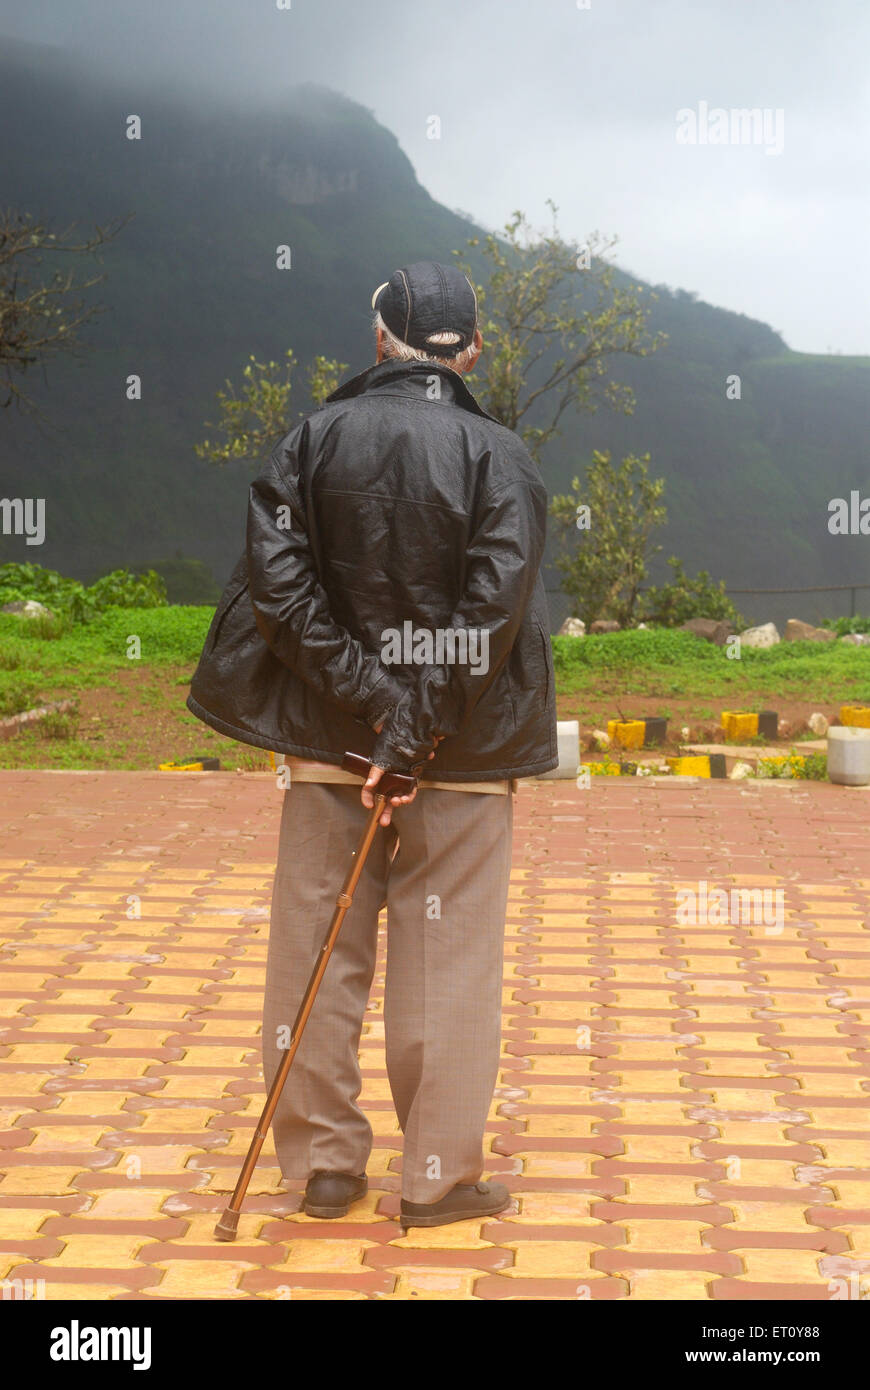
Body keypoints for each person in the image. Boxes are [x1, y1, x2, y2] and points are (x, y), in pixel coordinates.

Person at [187, 261, 557, 1229]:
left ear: (379, 340)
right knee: (452, 958)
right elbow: (493, 612)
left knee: (315, 942)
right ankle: (434, 1180)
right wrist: (417, 722)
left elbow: (279, 592)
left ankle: (323, 1168)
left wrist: (372, 706)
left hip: (325, 747)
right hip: (463, 758)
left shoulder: (311, 440)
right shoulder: (503, 458)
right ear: (472, 351)